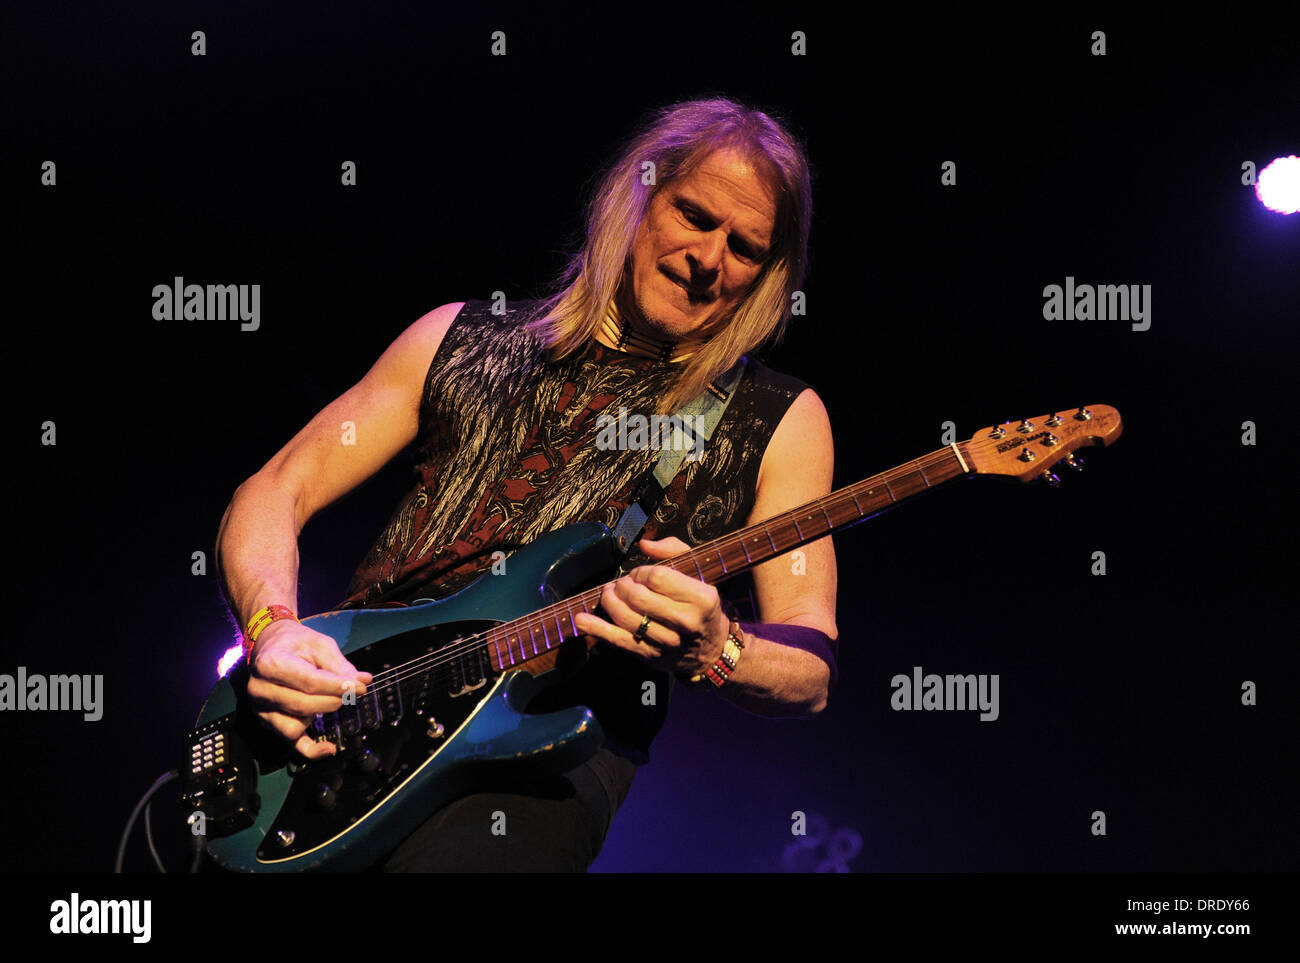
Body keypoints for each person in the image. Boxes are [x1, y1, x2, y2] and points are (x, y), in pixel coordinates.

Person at [215, 97, 839, 871]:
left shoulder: (776, 416)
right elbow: (275, 488)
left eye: (745, 248)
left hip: (540, 758)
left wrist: (723, 646)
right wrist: (273, 627)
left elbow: (810, 660)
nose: (710, 258)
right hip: (345, 711)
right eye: (693, 214)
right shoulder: (461, 335)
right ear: (636, 196)